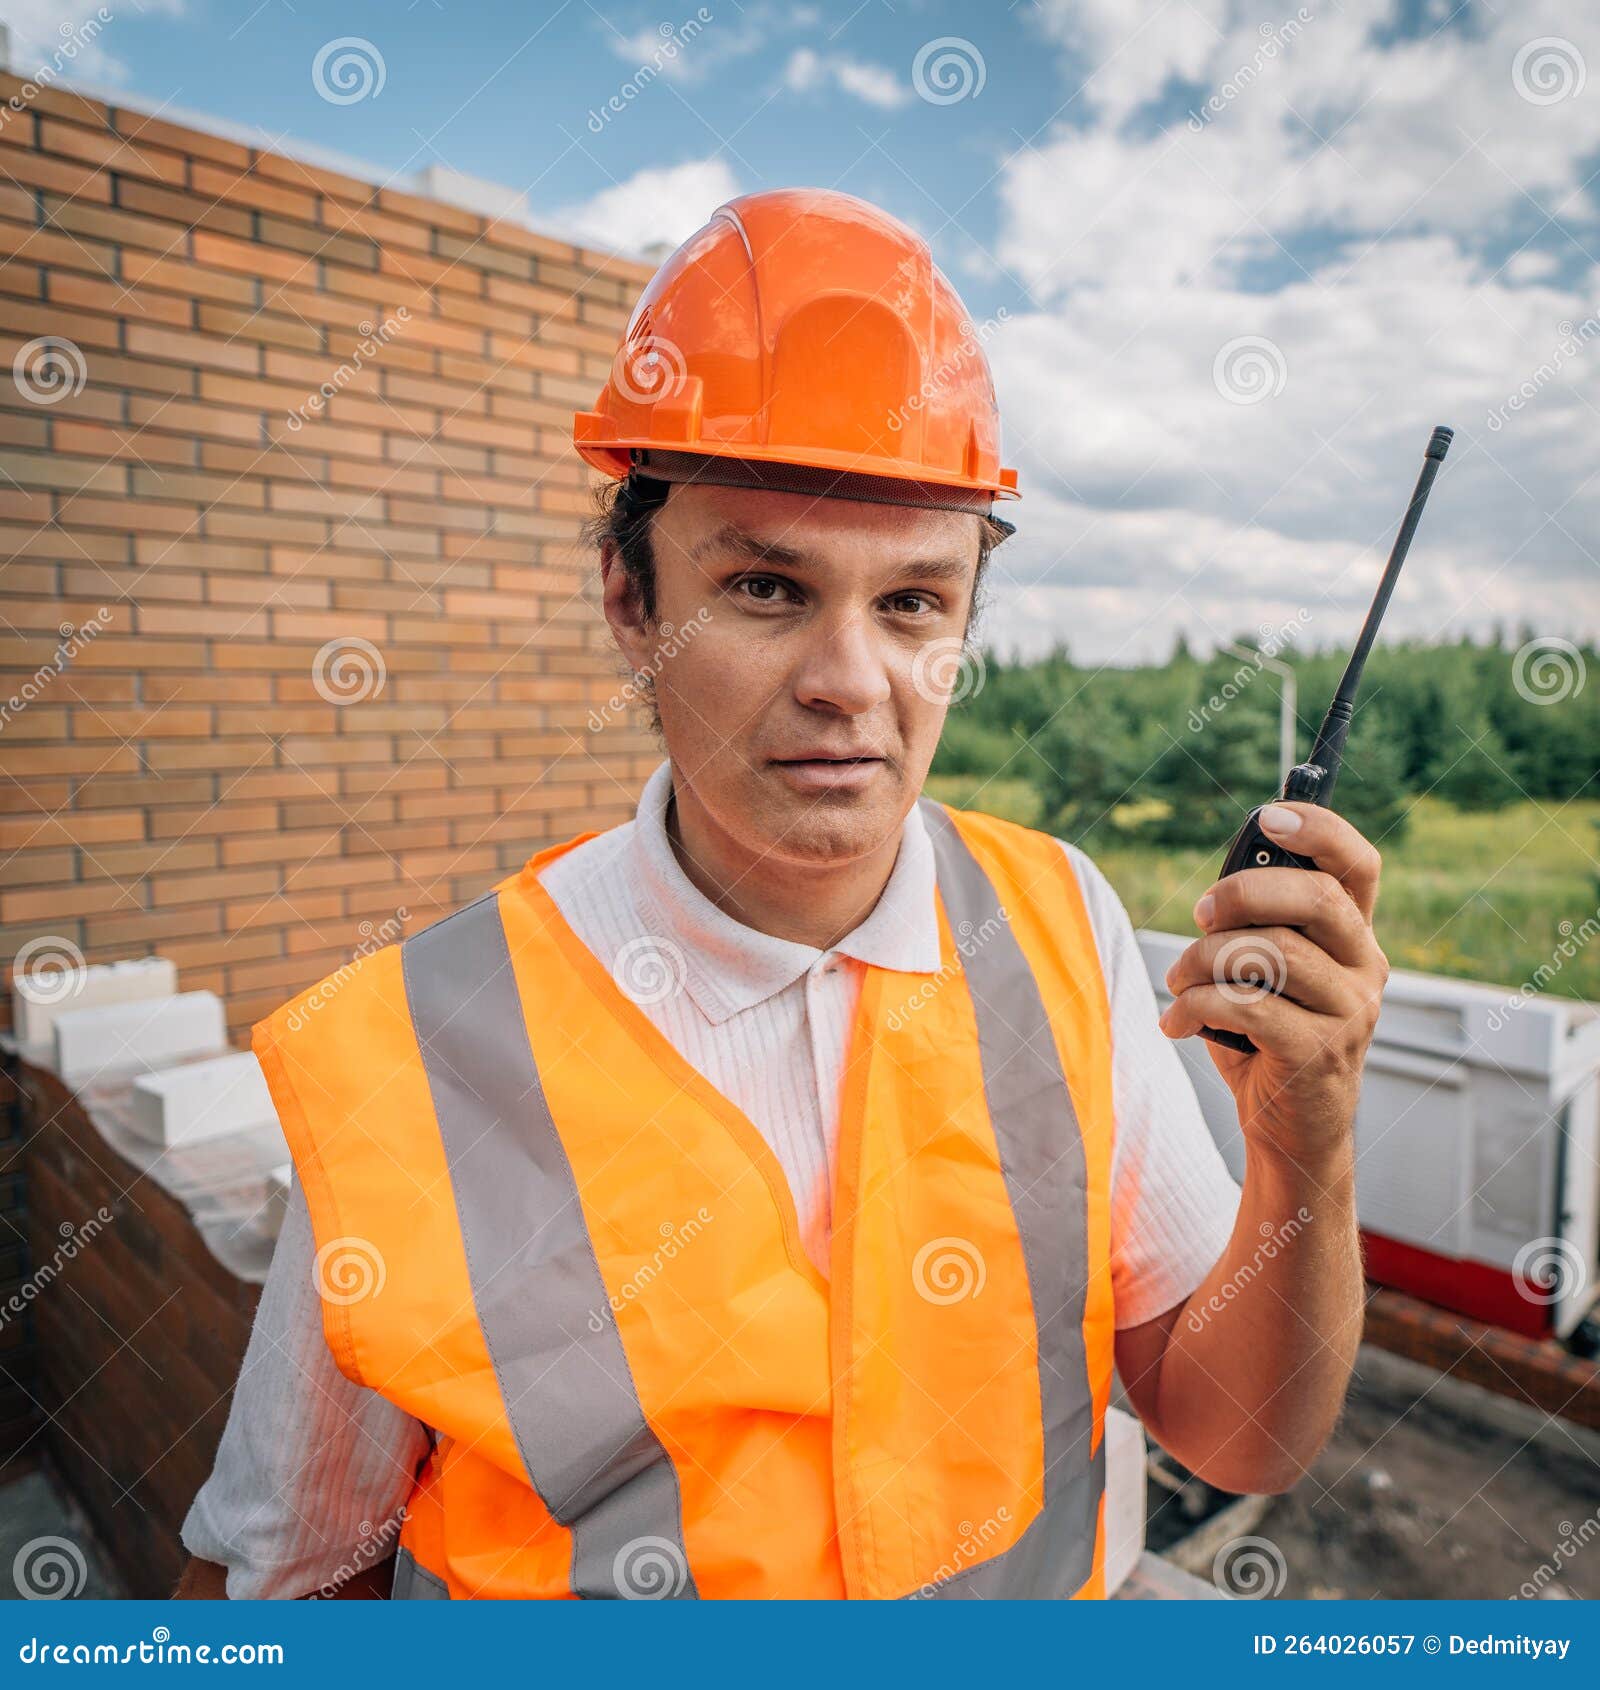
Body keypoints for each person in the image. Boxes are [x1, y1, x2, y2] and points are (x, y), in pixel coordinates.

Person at [175, 188, 1381, 1601]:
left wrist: (1309, 1146)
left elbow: (1233, 1429)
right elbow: (281, 1579)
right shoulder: (420, 1051)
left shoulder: (1059, 919)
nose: (851, 683)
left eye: (913, 602)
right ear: (630, 595)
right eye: (763, 586)